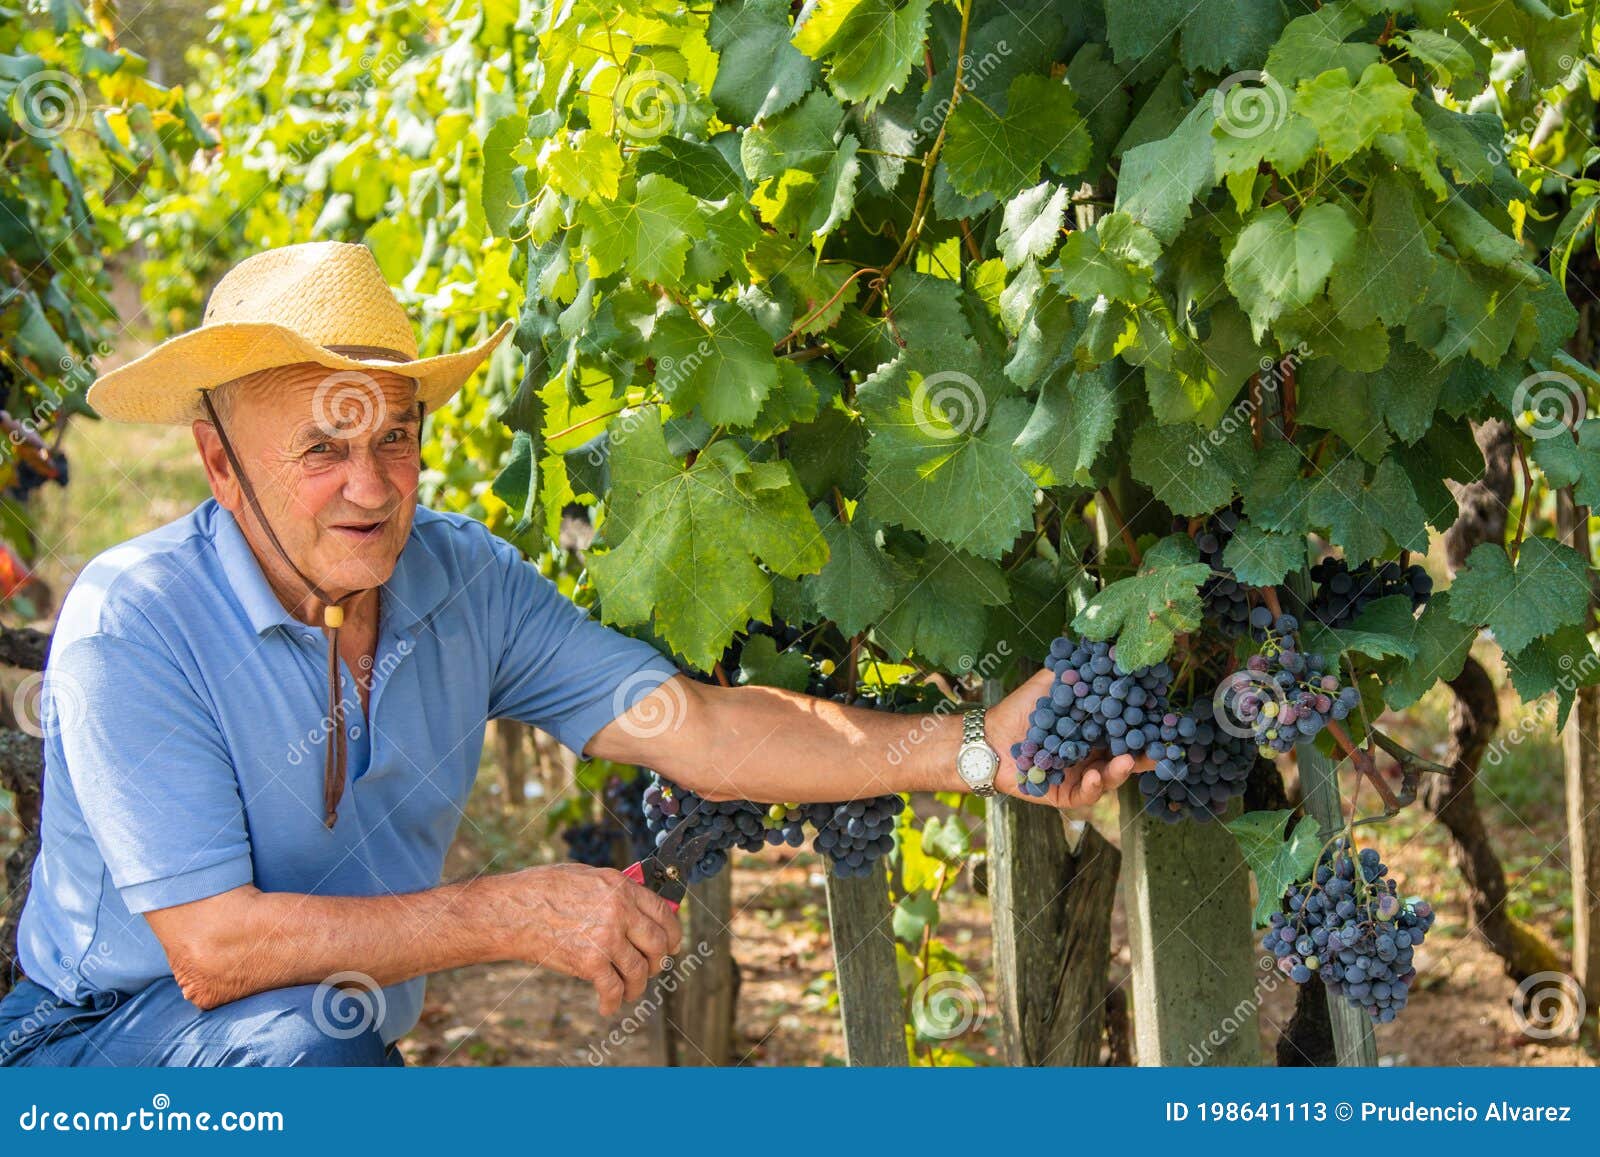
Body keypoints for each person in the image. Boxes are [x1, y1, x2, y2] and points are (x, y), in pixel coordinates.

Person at [0, 243, 1144, 1067]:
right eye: (322, 449)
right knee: (310, 1051)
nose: (372, 485)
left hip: (316, 1053)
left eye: (396, 437)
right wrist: (510, 913)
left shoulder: (460, 580)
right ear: (216, 460)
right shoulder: (133, 621)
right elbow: (213, 951)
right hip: (102, 1048)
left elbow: (690, 726)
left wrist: (974, 749)